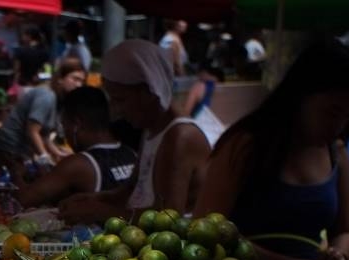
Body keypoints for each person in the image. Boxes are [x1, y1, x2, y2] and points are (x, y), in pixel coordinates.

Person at [196, 39, 349, 260]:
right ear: (302, 96)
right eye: (331, 112)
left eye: (347, 116)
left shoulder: (336, 153)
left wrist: (338, 257)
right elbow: (205, 231)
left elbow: (345, 230)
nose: (338, 125)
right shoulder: (246, 146)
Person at [57, 40, 209, 223]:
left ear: (148, 91)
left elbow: (168, 220)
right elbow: (131, 189)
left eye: (120, 100)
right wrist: (95, 199)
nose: (115, 111)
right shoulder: (151, 128)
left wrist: (101, 211)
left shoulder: (180, 137)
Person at [19, 87, 137, 208]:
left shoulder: (78, 164)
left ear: (77, 124)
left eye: (64, 125)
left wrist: (16, 173)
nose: (65, 133)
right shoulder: (132, 154)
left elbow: (24, 199)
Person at [0, 59, 85, 181]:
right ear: (60, 78)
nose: (78, 85)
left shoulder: (58, 98)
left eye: (81, 81)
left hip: (21, 150)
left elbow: (44, 135)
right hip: (10, 148)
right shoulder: (47, 96)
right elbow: (33, 131)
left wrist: (56, 153)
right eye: (74, 79)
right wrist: (44, 158)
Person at [182, 63, 226, 148]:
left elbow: (185, 113)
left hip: (203, 134)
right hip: (223, 132)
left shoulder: (199, 86)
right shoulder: (227, 88)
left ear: (204, 72)